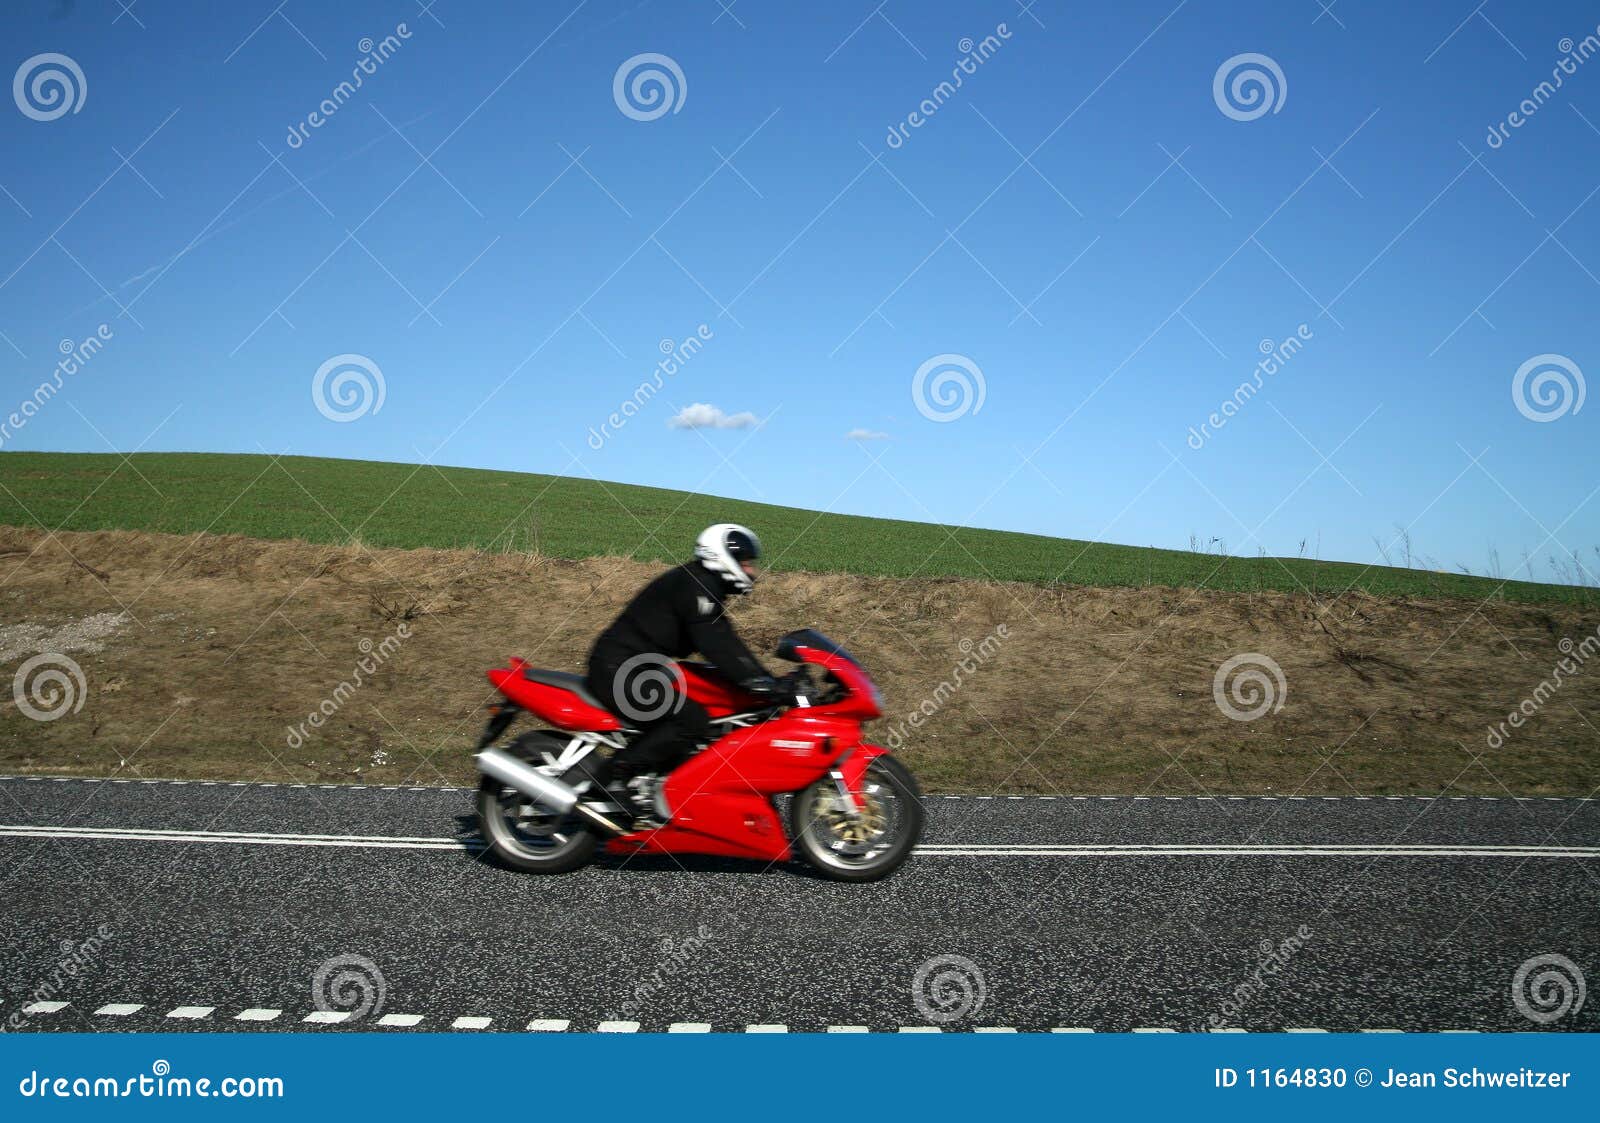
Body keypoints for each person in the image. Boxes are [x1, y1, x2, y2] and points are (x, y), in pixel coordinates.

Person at [574, 523, 791, 813]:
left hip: (636, 668)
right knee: (690, 719)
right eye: (745, 563)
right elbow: (716, 645)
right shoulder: (696, 587)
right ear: (721, 557)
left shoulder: (703, 587)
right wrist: (765, 684)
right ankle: (613, 780)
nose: (751, 571)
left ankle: (659, 785)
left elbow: (728, 644)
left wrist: (767, 680)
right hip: (618, 670)